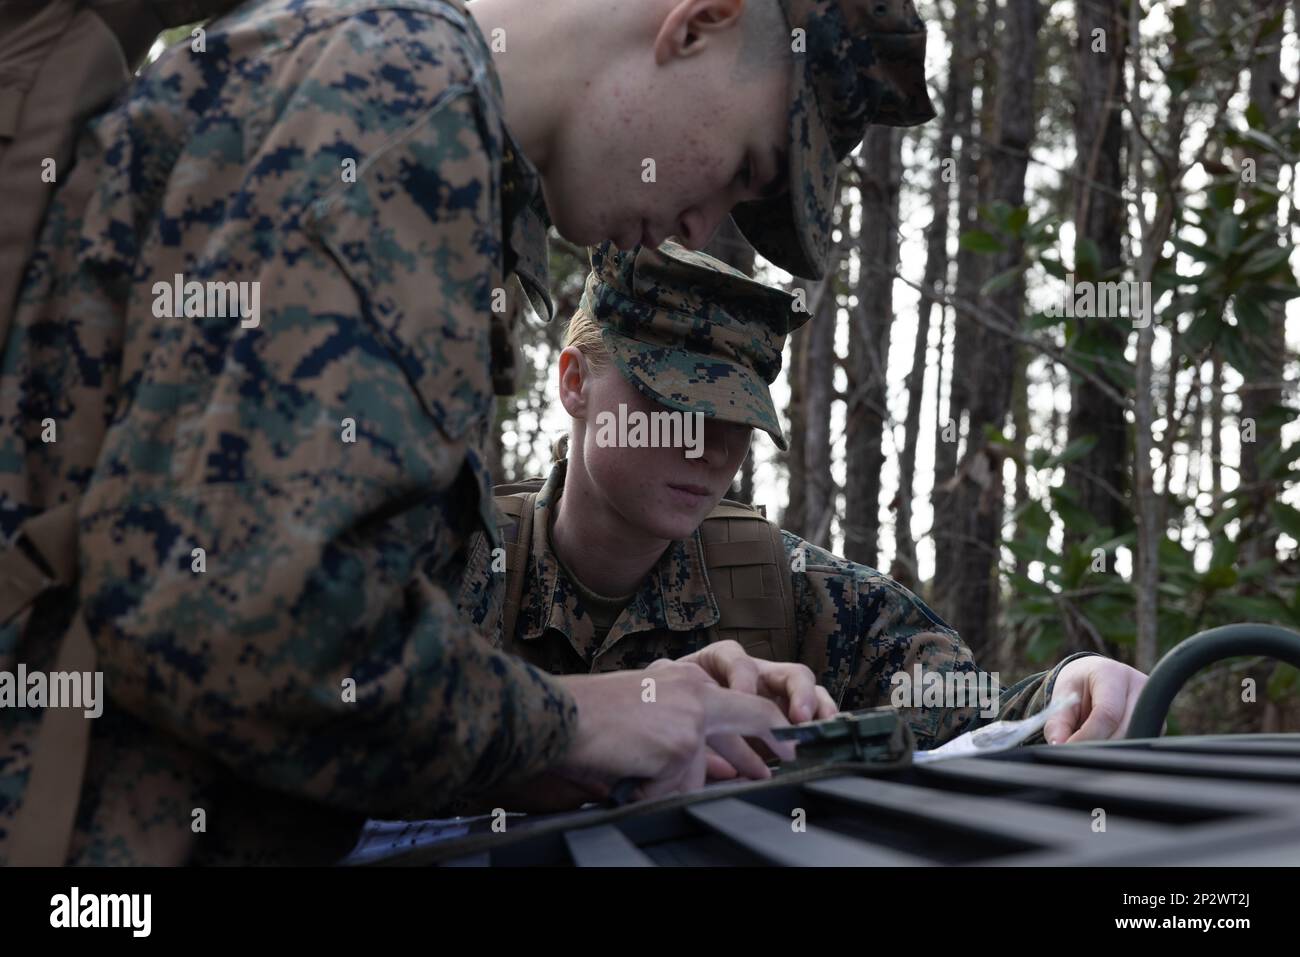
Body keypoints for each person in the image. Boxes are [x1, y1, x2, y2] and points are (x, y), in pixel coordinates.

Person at [0, 0, 936, 863]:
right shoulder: (410, 111)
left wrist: (613, 714)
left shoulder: (382, 82)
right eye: (743, 171)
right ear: (698, 23)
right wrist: (573, 723)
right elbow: (248, 625)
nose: (703, 219)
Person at [458, 240, 1150, 775]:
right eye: (672, 402)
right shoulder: (447, 566)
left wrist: (1073, 689)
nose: (707, 447)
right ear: (575, 383)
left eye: (735, 417)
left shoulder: (790, 590)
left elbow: (963, 713)